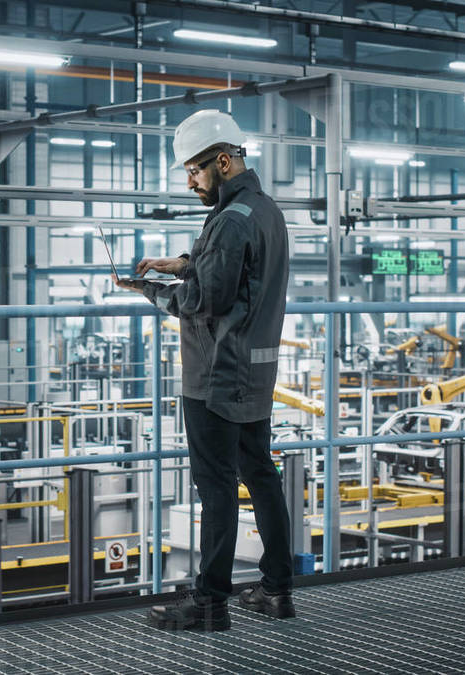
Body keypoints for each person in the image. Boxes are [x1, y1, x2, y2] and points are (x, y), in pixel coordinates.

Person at [117, 109, 295, 631]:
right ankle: (277, 591)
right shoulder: (263, 212)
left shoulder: (226, 220)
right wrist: (187, 261)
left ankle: (209, 604)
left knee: (215, 489)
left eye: (194, 170)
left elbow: (204, 300)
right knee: (261, 477)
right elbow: (240, 275)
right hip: (255, 371)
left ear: (223, 160)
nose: (190, 180)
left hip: (215, 374)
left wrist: (150, 289)